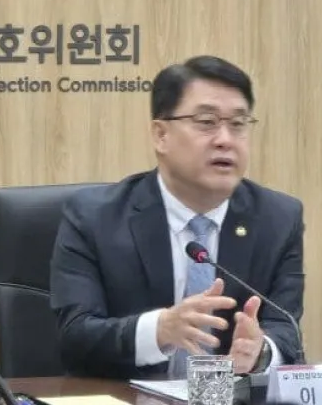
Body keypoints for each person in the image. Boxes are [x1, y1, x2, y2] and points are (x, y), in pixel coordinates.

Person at [49, 55, 305, 380]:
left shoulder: (278, 219)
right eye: (206, 121)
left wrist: (260, 353)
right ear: (161, 135)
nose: (225, 139)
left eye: (238, 124)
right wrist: (160, 330)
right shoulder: (94, 217)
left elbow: (286, 328)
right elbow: (75, 338)